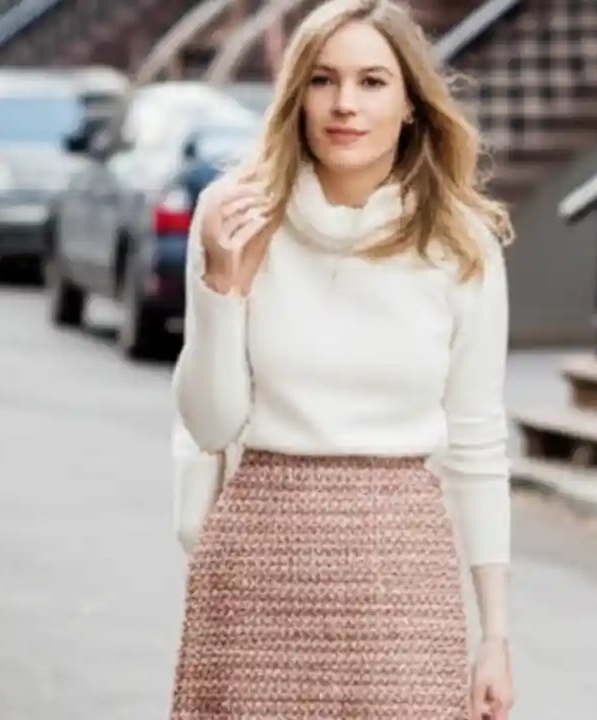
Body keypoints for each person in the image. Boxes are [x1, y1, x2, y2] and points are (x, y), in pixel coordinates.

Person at [168, 0, 515, 717]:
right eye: (323, 80)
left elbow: (477, 439)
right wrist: (224, 287)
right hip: (257, 561)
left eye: (372, 81)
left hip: (404, 570)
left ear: (411, 104)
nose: (344, 104)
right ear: (296, 96)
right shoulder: (236, 214)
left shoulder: (461, 242)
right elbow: (209, 425)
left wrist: (495, 635)